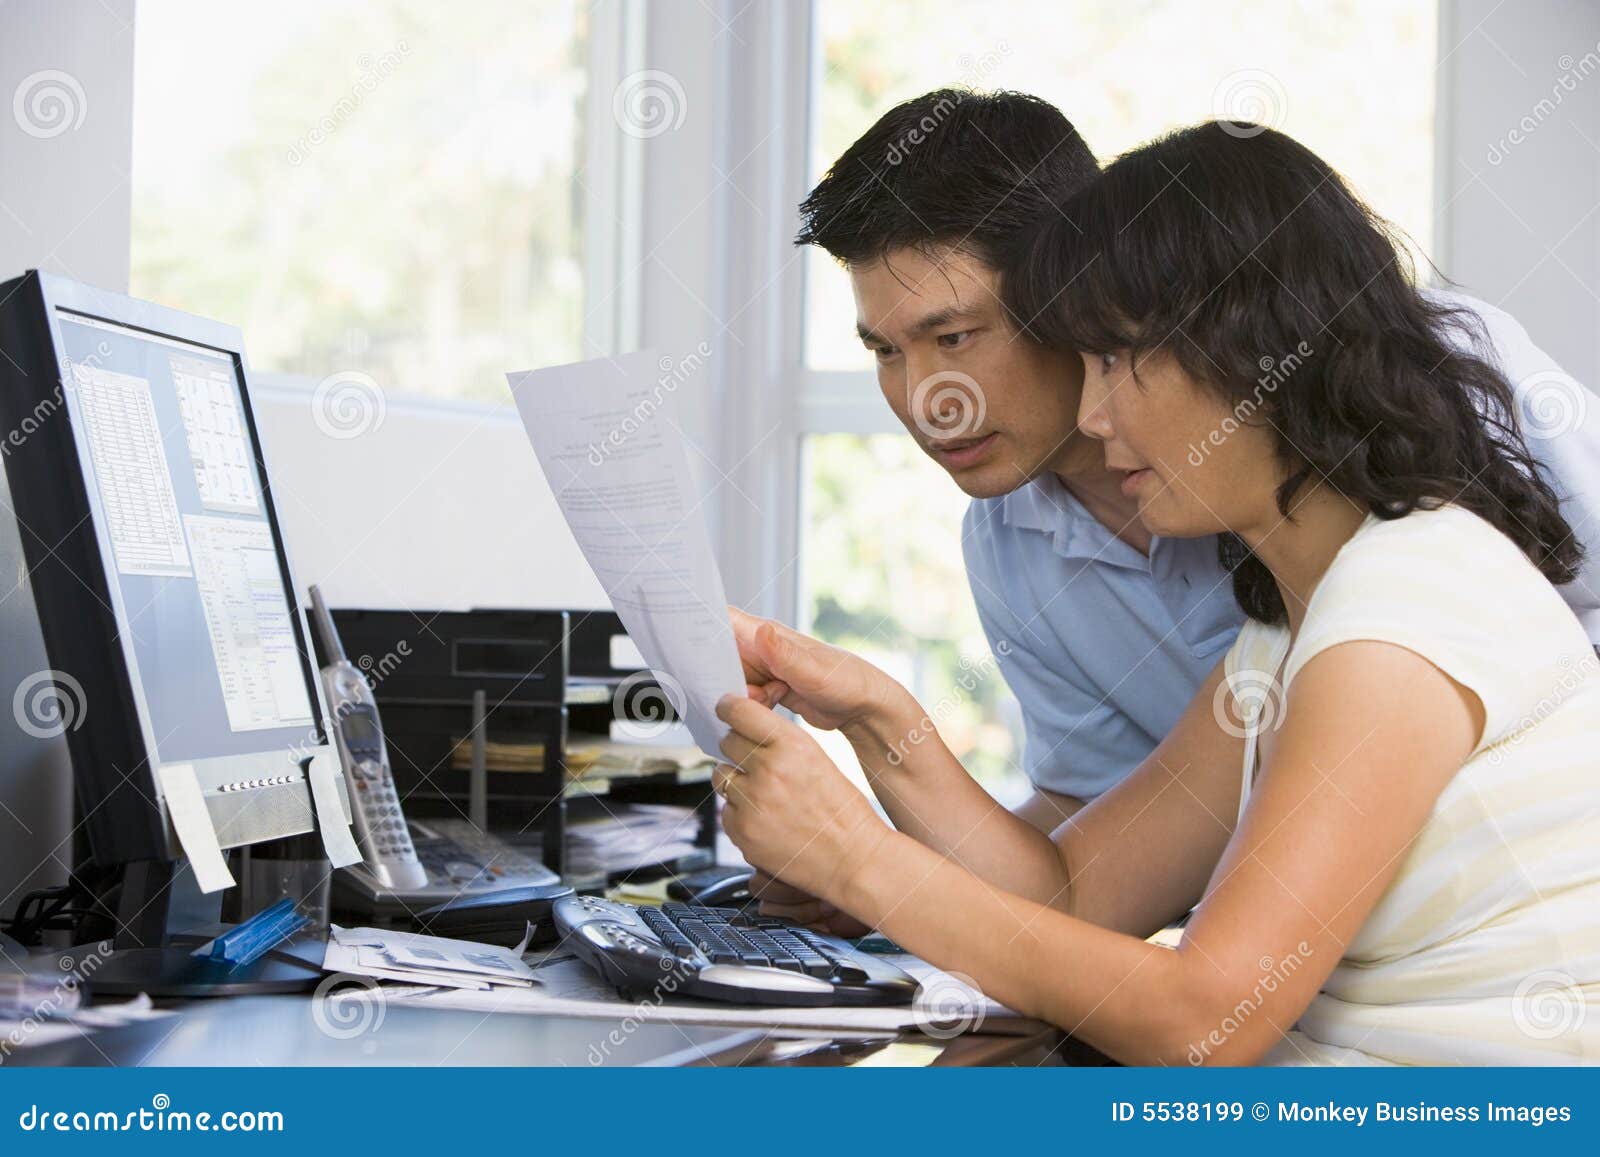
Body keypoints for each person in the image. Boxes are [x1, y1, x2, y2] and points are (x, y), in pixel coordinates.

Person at [714, 122, 1600, 1065]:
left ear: (1248, 349)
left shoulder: (1407, 602)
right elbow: (1071, 892)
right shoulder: (1285, 632)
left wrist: (854, 856)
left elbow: (1201, 1022)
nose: (1093, 415)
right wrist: (880, 722)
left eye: (1113, 360)